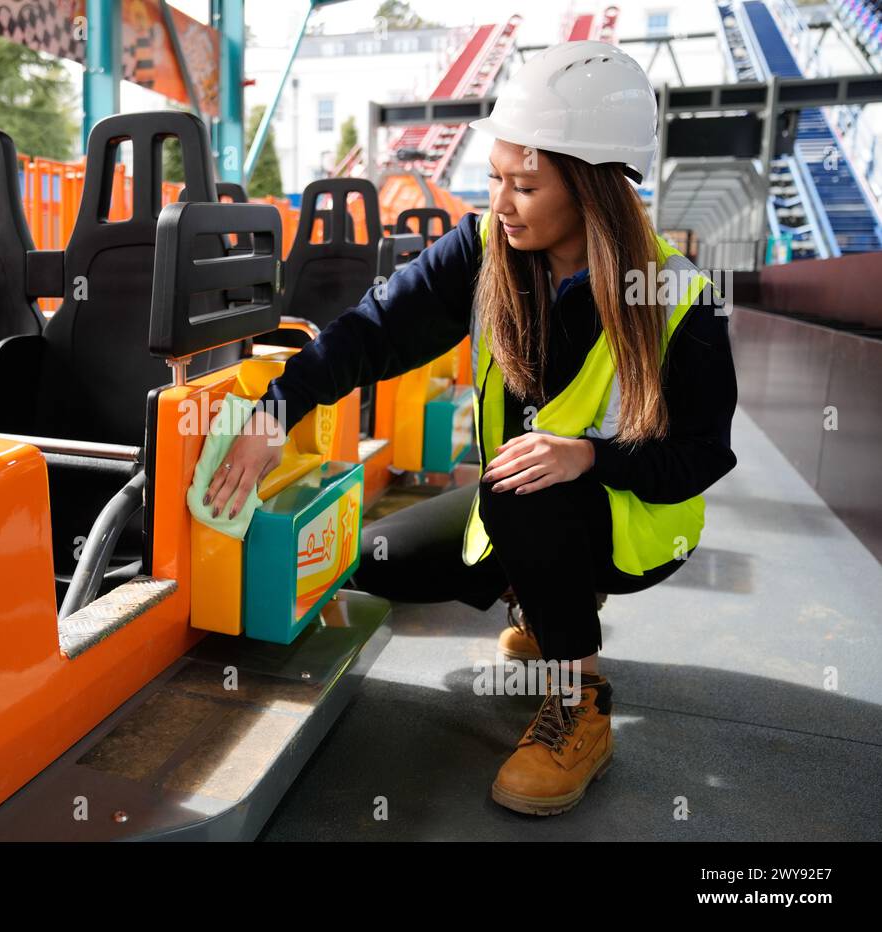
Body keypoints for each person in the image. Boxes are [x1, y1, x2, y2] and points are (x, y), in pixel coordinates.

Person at [199, 40, 738, 816]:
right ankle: (537, 593)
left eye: (525, 183)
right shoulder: (488, 250)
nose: (503, 202)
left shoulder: (679, 297)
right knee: (372, 559)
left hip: (635, 521)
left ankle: (579, 701)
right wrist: (274, 412)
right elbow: (375, 329)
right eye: (495, 179)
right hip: (522, 499)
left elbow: (702, 455)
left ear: (592, 187)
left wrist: (590, 456)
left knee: (529, 487)